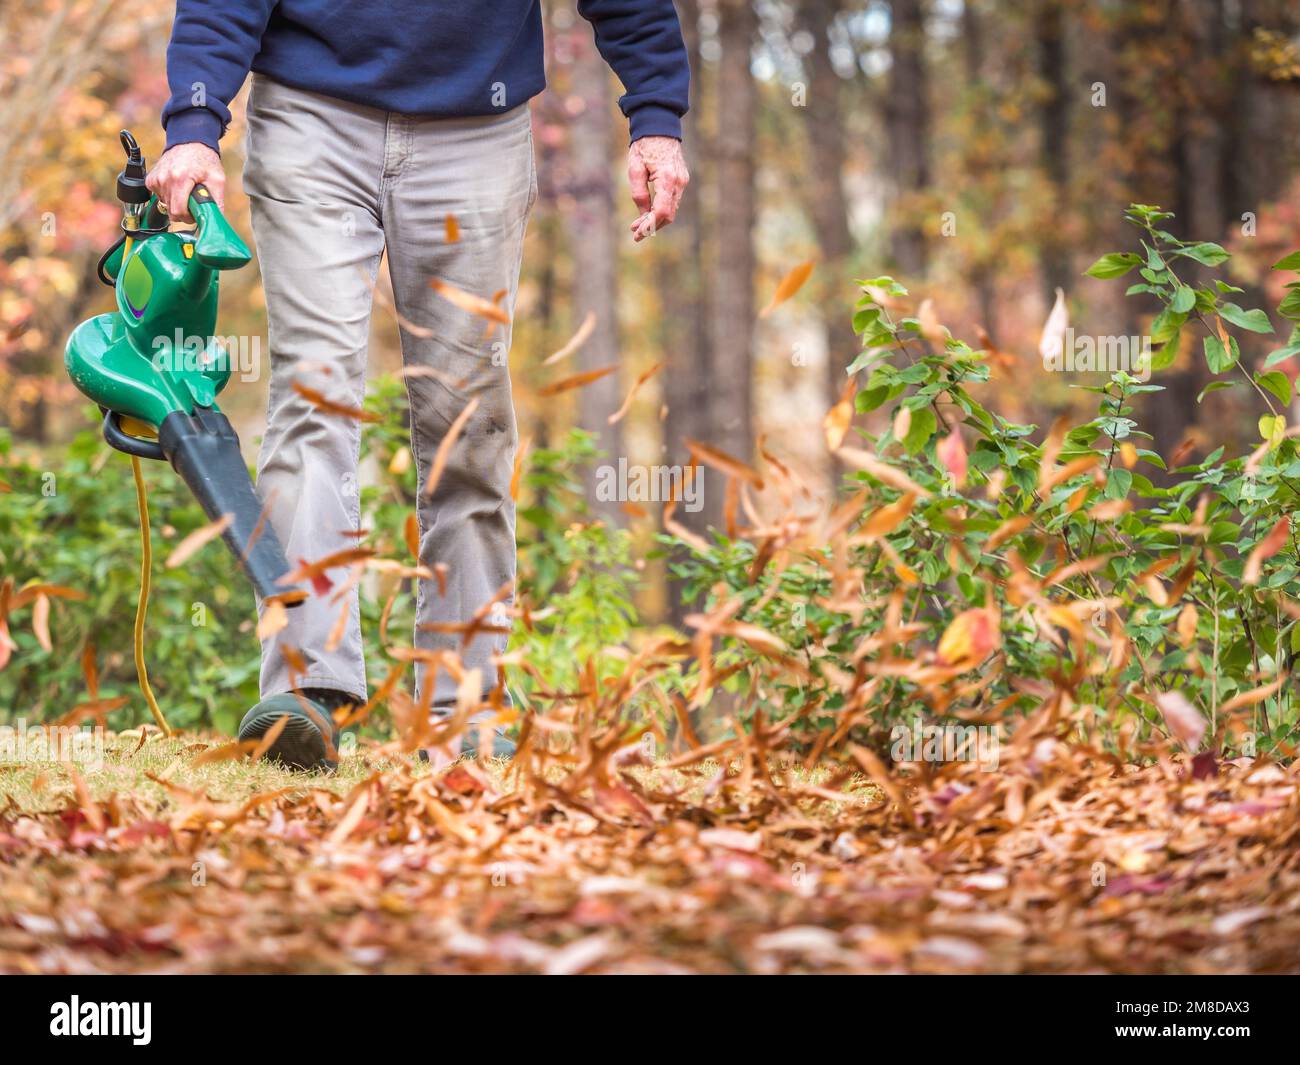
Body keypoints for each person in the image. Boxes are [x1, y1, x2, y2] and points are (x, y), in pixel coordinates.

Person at [147, 1, 691, 770]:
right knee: (314, 394)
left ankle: (465, 707)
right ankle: (307, 689)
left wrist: (657, 116)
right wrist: (196, 121)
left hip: (476, 124)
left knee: (468, 420)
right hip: (311, 113)